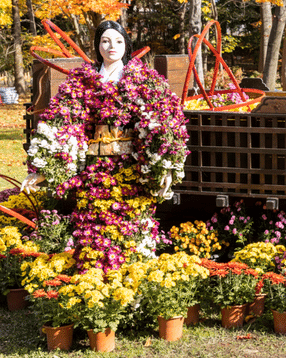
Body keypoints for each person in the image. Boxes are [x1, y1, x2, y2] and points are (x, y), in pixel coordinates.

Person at [23, 20, 188, 271]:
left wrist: (165, 165)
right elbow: (64, 119)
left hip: (131, 170)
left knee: (132, 224)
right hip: (94, 169)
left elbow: (163, 119)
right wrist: (43, 166)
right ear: (97, 45)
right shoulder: (82, 80)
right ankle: (95, 281)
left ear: (127, 45)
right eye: (106, 41)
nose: (112, 46)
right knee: (93, 225)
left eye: (119, 41)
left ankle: (134, 283)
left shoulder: (144, 79)